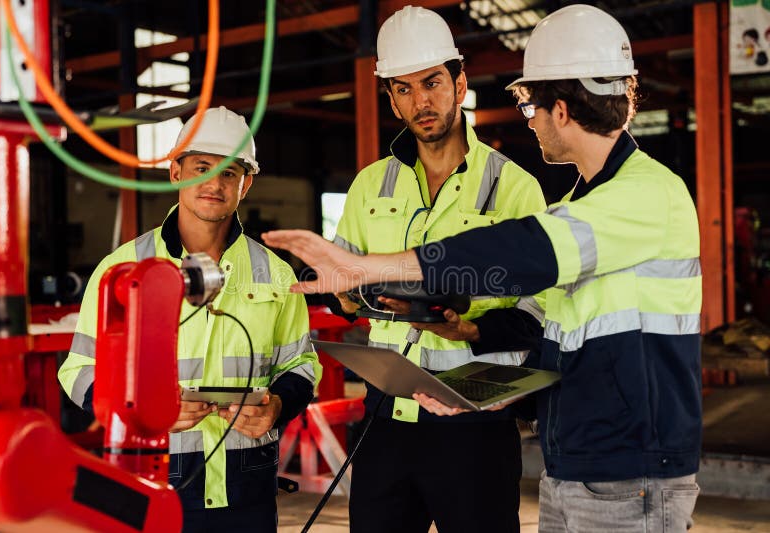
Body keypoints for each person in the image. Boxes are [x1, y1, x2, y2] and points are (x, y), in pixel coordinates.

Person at [264, 5, 702, 532]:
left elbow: (522, 253)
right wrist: (493, 392)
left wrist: (365, 268)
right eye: (402, 88)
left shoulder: (642, 196)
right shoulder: (585, 200)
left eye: (530, 107)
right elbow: (561, 344)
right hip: (571, 457)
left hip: (625, 466)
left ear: (560, 109)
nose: (530, 119)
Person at [329, 6, 546, 533]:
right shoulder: (369, 186)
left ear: (460, 81)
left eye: (431, 83)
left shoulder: (513, 187)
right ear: (391, 98)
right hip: (387, 420)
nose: (420, 101)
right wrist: (361, 291)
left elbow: (538, 313)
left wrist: (465, 323)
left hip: (475, 422)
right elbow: (342, 286)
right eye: (403, 89)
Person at [59, 106, 321, 533]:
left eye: (229, 173)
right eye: (202, 167)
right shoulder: (122, 269)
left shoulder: (275, 273)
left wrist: (276, 405)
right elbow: (79, 371)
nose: (214, 184)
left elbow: (302, 366)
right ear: (175, 171)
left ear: (246, 183)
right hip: (153, 477)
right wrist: (147, 412)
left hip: (247, 485)